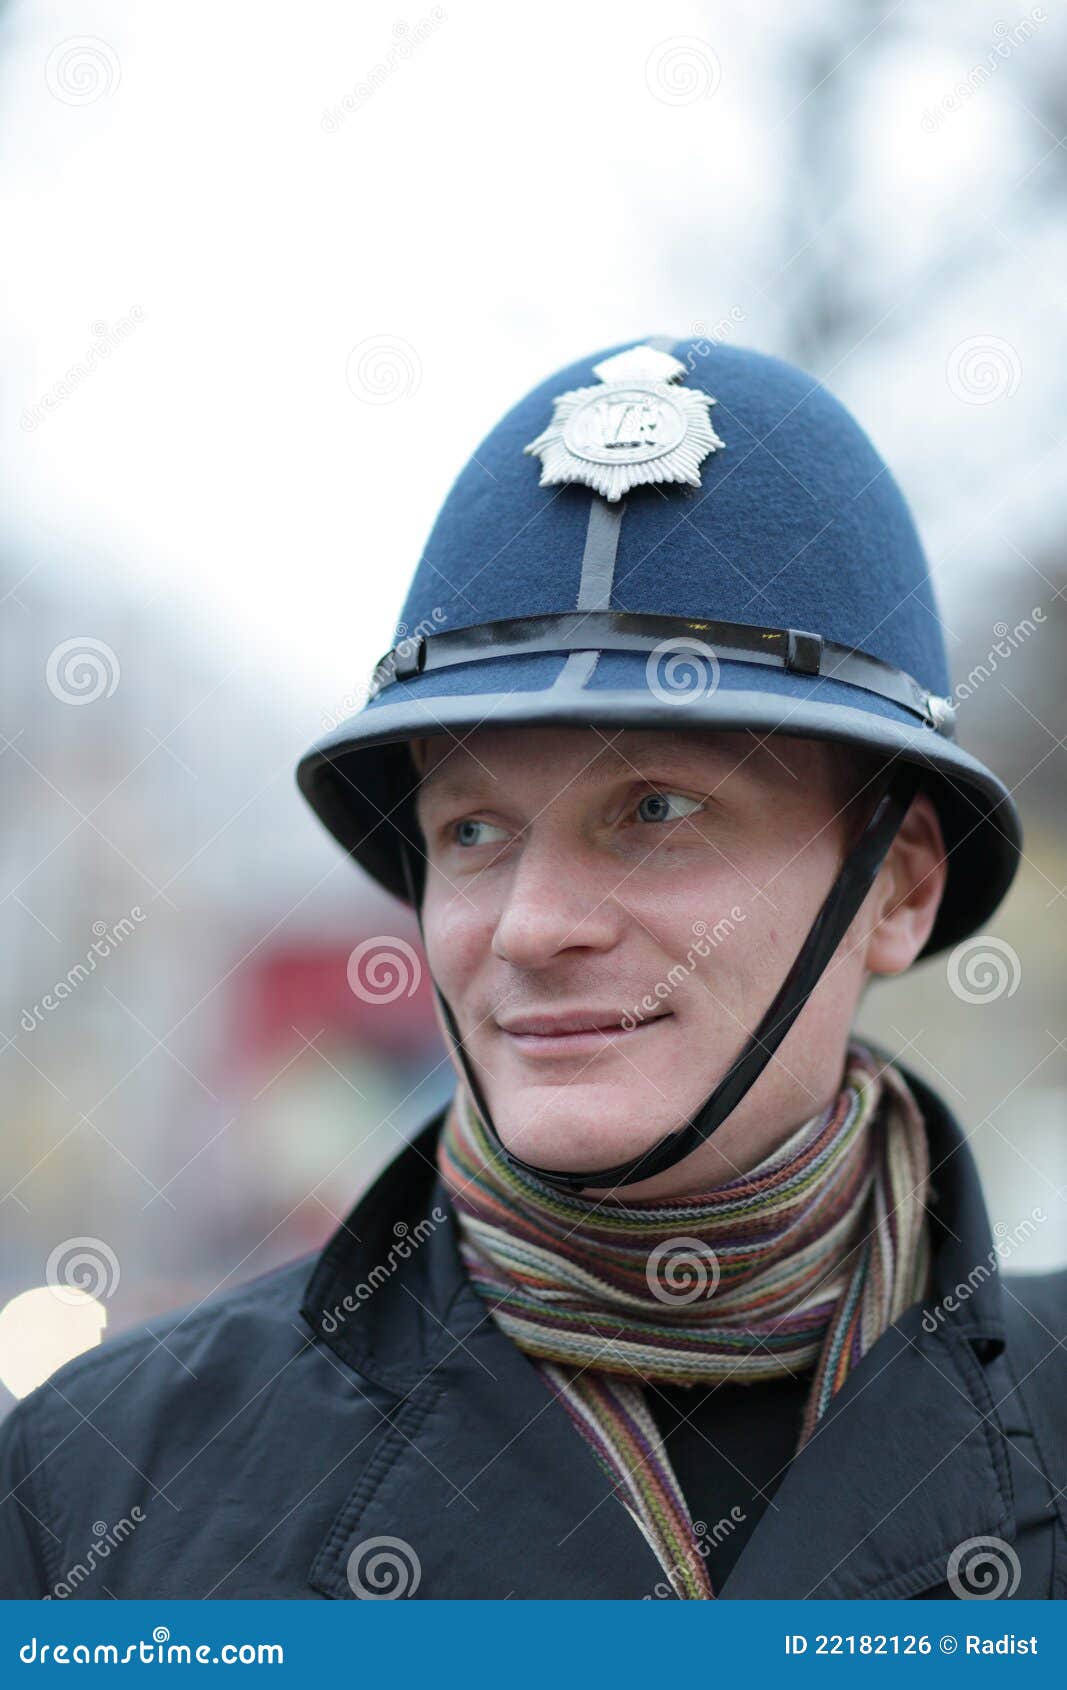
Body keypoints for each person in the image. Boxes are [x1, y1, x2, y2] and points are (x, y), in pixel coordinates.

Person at [1, 338, 1064, 1601]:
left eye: (657, 809)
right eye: (472, 831)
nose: (527, 927)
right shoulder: (100, 1478)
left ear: (899, 887)